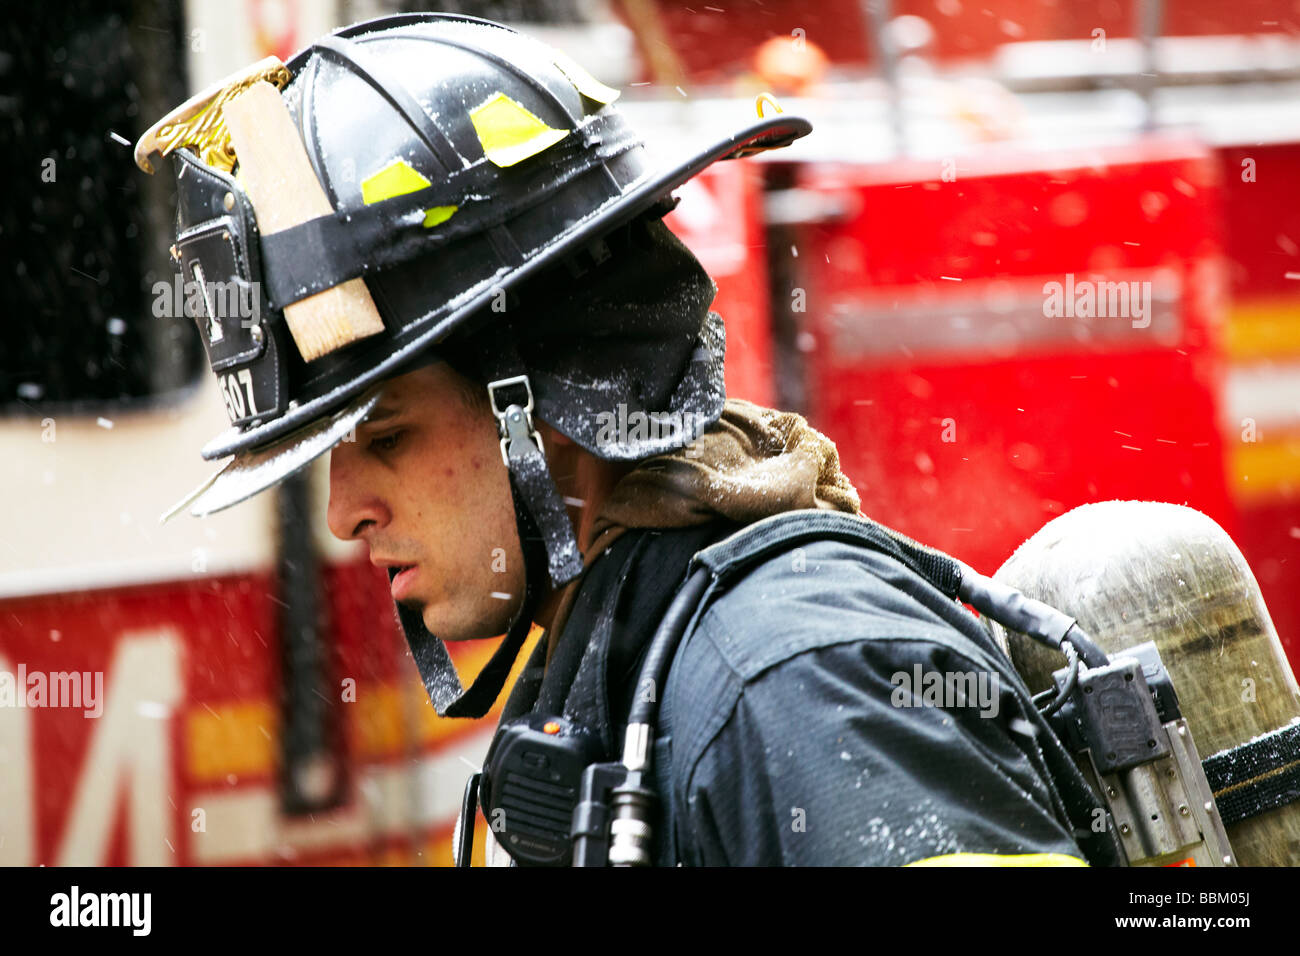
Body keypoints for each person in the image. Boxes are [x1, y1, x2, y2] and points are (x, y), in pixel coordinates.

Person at [137, 12, 1113, 866]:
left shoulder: (795, 686)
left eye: (384, 434)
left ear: (546, 401)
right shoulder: (617, 656)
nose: (345, 508)